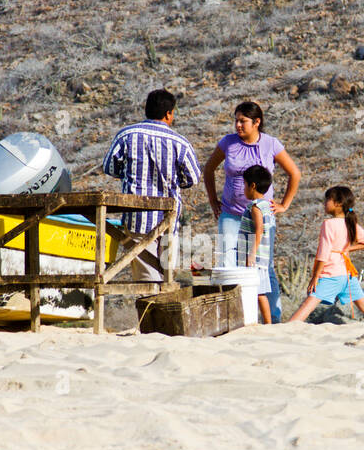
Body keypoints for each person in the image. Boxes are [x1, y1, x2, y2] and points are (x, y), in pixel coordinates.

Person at [202, 100, 301, 322]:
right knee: (228, 262)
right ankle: (234, 316)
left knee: (264, 266)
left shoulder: (270, 144)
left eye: (243, 121)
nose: (238, 125)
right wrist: (213, 200)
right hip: (231, 214)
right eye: (236, 120)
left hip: (260, 217)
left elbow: (294, 173)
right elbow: (208, 169)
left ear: (257, 122)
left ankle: (273, 318)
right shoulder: (228, 143)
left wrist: (284, 204)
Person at [102, 88, 201, 281]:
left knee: (146, 280)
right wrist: (174, 181)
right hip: (168, 219)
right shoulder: (180, 143)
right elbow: (193, 178)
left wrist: (129, 175)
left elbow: (110, 167)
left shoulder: (126, 135)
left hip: (136, 218)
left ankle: (149, 309)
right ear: (168, 114)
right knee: (167, 277)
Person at [288, 185, 364, 323]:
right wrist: (345, 250)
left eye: (328, 199)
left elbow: (324, 253)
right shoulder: (350, 222)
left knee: (307, 305)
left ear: (338, 203)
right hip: (347, 274)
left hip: (330, 274)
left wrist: (315, 276)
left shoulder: (328, 224)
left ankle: (288, 329)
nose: (324, 203)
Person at [237, 165, 275, 325]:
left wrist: (251, 253)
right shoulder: (268, 205)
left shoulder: (255, 207)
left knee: (257, 292)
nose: (243, 188)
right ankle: (266, 323)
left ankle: (267, 323)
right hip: (263, 258)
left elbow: (259, 230)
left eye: (244, 184)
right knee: (260, 292)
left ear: (252, 185)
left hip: (255, 258)